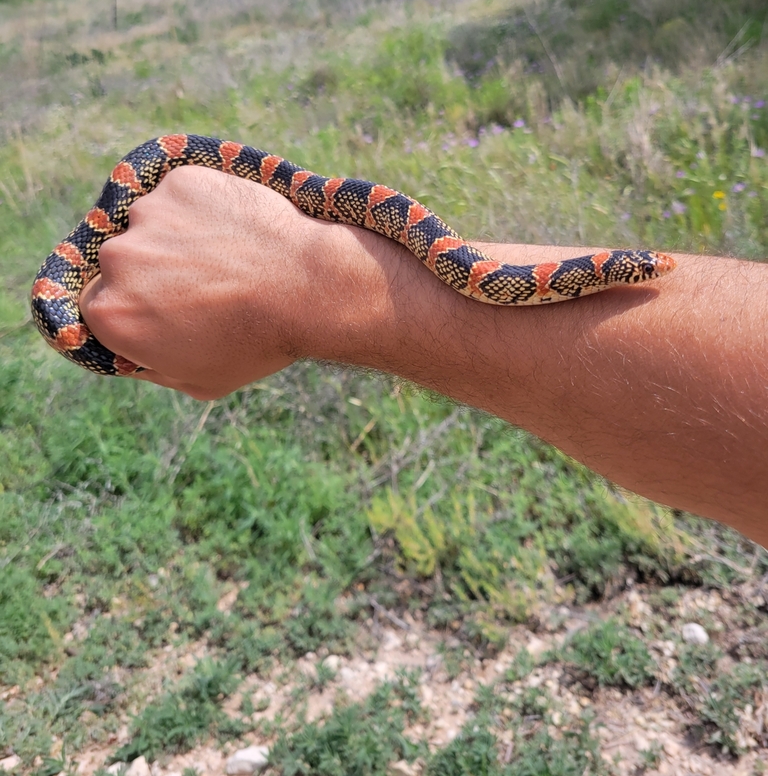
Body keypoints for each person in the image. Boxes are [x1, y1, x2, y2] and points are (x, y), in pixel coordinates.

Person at [79, 165, 768, 547]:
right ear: (607, 270)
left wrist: (302, 278)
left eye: (643, 269)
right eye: (643, 267)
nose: (654, 272)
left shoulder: (529, 280)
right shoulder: (490, 272)